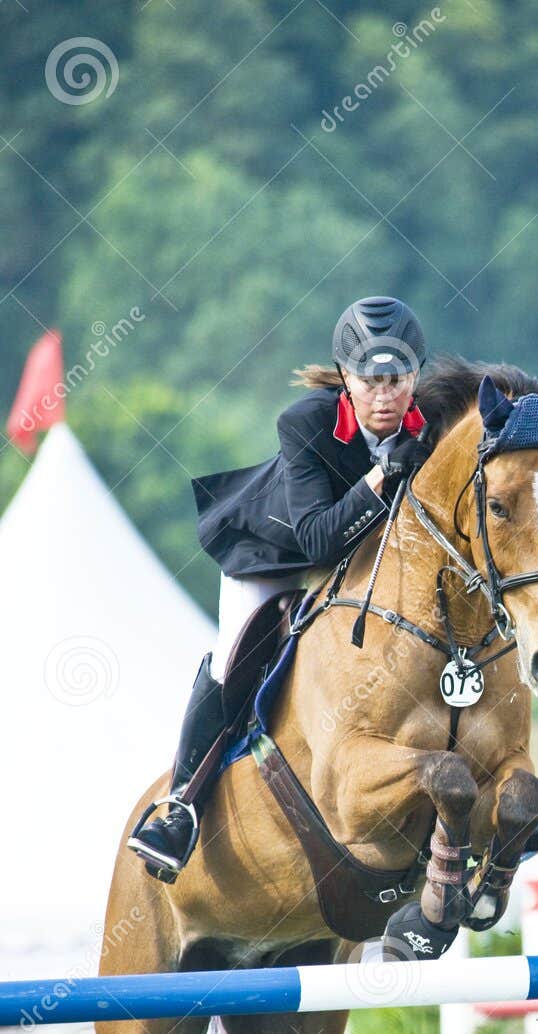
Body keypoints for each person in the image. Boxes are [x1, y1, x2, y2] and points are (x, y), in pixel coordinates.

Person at [128, 296, 433, 879]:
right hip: (274, 555)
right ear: (346, 377)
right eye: (370, 380)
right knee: (233, 660)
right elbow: (318, 539)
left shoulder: (431, 422)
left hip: (362, 558)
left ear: (416, 375)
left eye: (397, 379)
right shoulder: (305, 423)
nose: (385, 394)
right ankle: (180, 807)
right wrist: (381, 471)